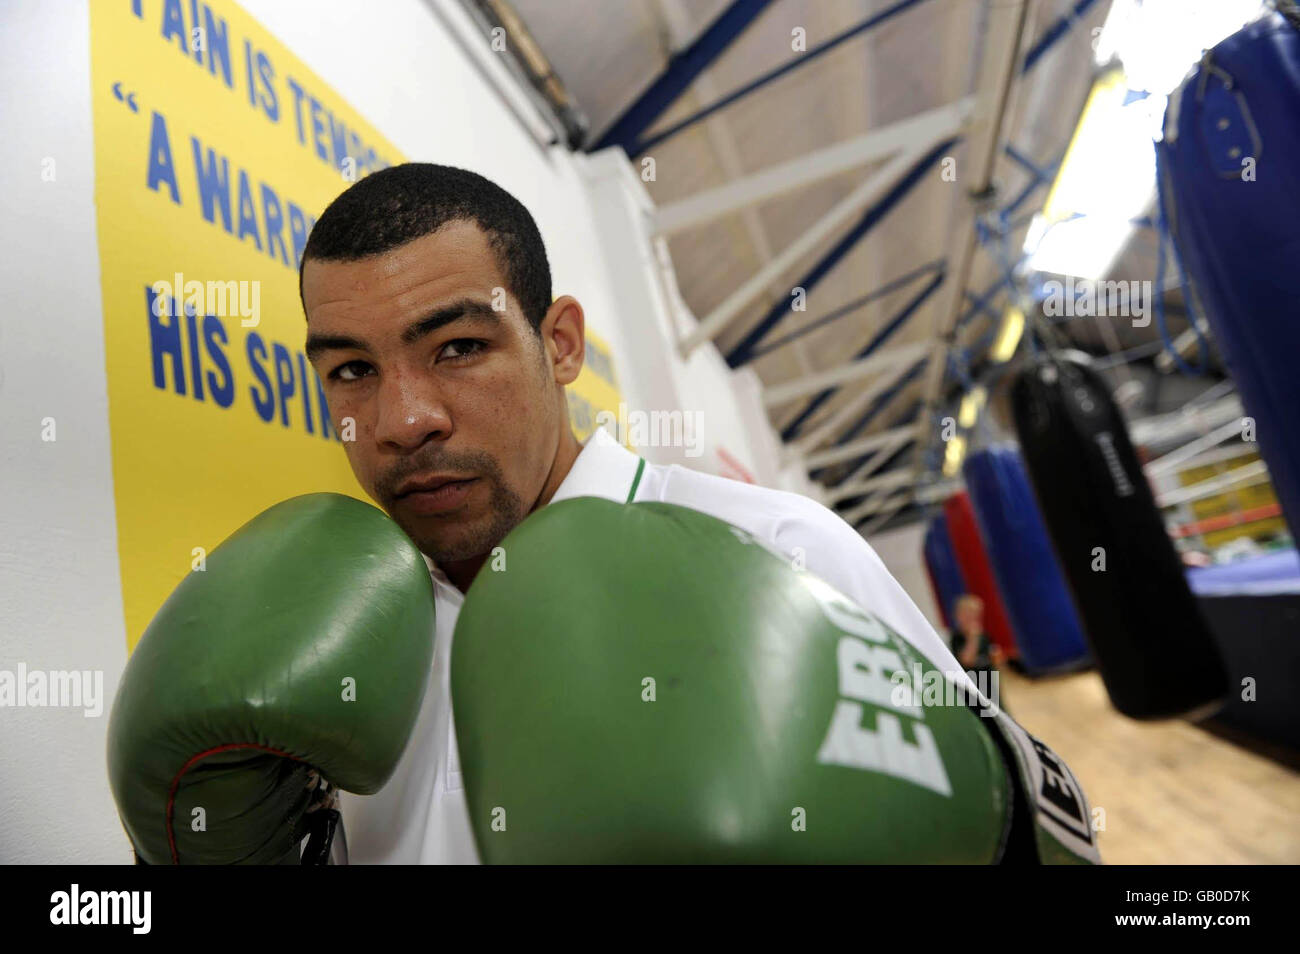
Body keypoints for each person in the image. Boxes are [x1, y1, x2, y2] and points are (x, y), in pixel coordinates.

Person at [295, 163, 984, 863]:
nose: (405, 420)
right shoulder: (343, 646)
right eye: (352, 370)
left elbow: (1015, 831)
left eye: (460, 348)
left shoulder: (780, 552)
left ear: (560, 344)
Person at [950, 594, 1009, 715]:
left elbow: (995, 660)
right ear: (959, 616)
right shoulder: (957, 637)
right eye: (968, 615)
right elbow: (967, 660)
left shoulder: (984, 636)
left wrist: (998, 658)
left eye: (975, 616)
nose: (972, 619)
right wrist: (973, 639)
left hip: (988, 686)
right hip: (970, 690)